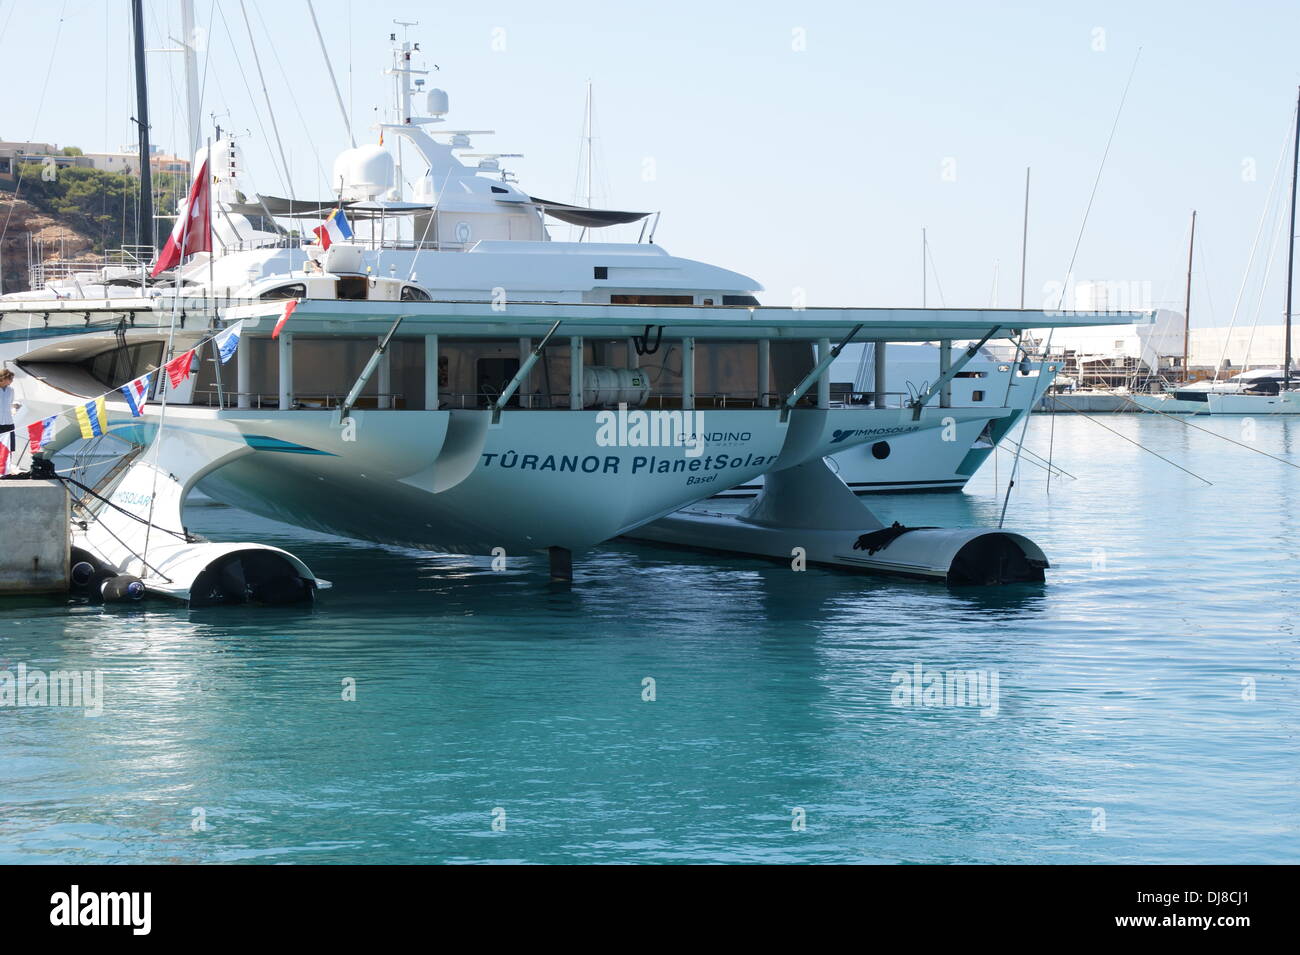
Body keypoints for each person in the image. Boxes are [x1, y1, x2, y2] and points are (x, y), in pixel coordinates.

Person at [0, 368, 16, 455]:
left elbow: (10, 403)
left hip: (9, 422)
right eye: (10, 378)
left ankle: (6, 466)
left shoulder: (11, 390)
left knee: (9, 447)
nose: (12, 380)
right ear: (3, 378)